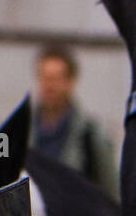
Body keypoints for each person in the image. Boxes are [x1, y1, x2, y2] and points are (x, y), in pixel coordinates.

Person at [32, 45, 119, 201]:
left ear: (70, 82)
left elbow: (111, 195)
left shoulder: (90, 134)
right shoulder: (22, 132)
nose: (49, 86)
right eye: (44, 78)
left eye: (55, 79)